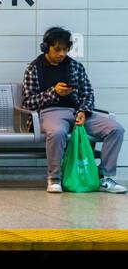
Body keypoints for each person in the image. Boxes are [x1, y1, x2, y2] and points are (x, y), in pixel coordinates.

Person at [21, 26, 125, 194]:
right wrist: (53, 92)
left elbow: (88, 93)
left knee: (116, 129)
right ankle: (54, 178)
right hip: (49, 112)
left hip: (77, 112)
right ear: (46, 48)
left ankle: (104, 177)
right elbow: (28, 103)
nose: (62, 54)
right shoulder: (34, 69)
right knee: (57, 132)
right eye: (57, 49)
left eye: (65, 49)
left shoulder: (75, 67)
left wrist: (83, 111)